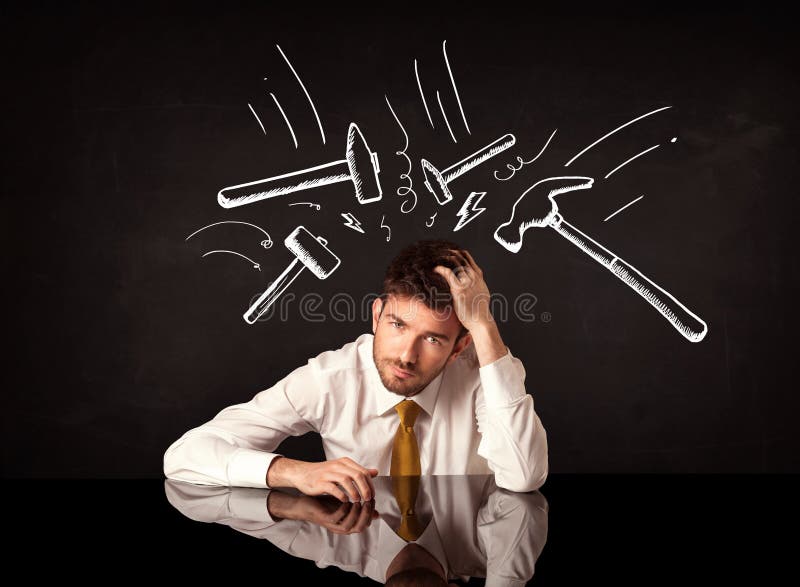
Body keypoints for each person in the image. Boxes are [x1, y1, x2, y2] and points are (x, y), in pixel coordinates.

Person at [163, 239, 548, 496]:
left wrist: (482, 324)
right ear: (377, 315)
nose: (406, 356)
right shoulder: (332, 379)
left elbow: (524, 478)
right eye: (397, 325)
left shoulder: (485, 372)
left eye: (433, 339)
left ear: (460, 345)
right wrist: (296, 472)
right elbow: (184, 455)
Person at [164, 474, 549, 585]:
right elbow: (525, 506)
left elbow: (195, 495)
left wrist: (296, 502)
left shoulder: (327, 547)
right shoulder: (484, 555)